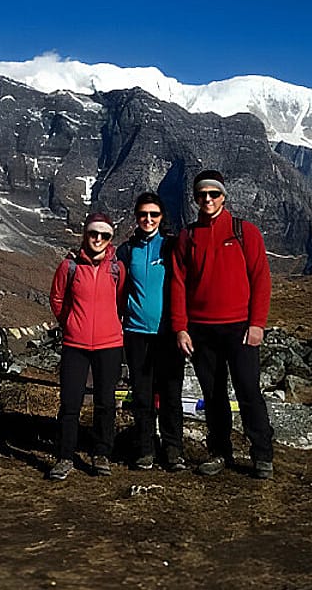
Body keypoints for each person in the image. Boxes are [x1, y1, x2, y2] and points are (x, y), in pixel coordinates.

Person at [171, 170, 275, 480]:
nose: (207, 199)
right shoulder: (187, 237)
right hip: (201, 329)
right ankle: (219, 451)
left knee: (248, 391)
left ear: (223, 197)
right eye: (202, 195)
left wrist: (257, 323)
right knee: (213, 394)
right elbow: (177, 283)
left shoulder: (245, 232)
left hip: (240, 328)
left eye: (213, 194)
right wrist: (180, 327)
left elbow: (261, 279)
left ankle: (262, 455)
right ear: (195, 198)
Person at [47, 212, 125, 479]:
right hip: (75, 343)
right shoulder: (69, 267)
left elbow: (121, 299)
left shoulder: (117, 268)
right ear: (85, 235)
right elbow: (57, 297)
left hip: (110, 344)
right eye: (94, 234)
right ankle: (65, 456)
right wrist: (68, 322)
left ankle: (101, 454)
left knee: (106, 402)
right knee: (70, 402)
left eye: (105, 235)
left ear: (110, 238)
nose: (98, 239)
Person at [116, 192, 185, 471]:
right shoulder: (127, 249)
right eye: (143, 214)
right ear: (136, 217)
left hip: (168, 333)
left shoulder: (170, 246)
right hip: (135, 332)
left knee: (170, 393)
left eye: (153, 214)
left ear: (161, 217)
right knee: (142, 395)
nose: (148, 219)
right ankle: (145, 448)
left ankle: (172, 449)